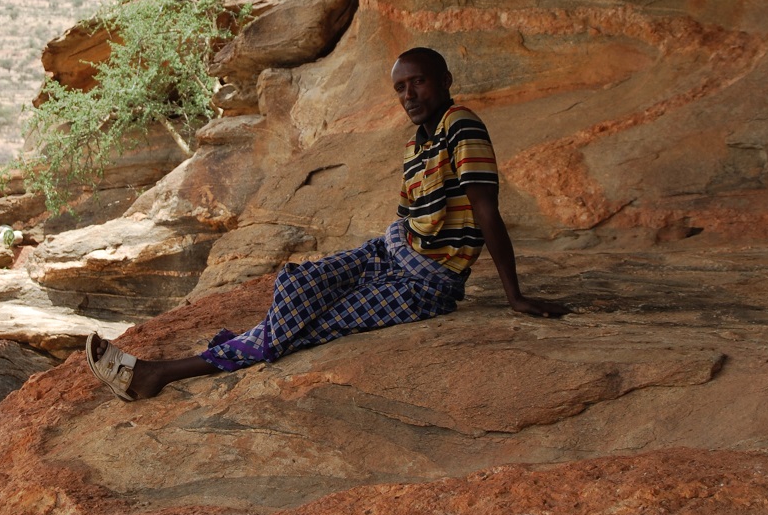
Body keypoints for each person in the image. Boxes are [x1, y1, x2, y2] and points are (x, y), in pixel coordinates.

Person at [85, 46, 566, 400]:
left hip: (427, 282)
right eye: (400, 87)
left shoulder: (462, 125)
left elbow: (486, 210)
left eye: (417, 82)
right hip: (394, 253)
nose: (408, 94)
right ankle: (179, 366)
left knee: (312, 325)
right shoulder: (419, 139)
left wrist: (514, 296)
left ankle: (158, 374)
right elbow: (410, 214)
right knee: (300, 283)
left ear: (444, 79)